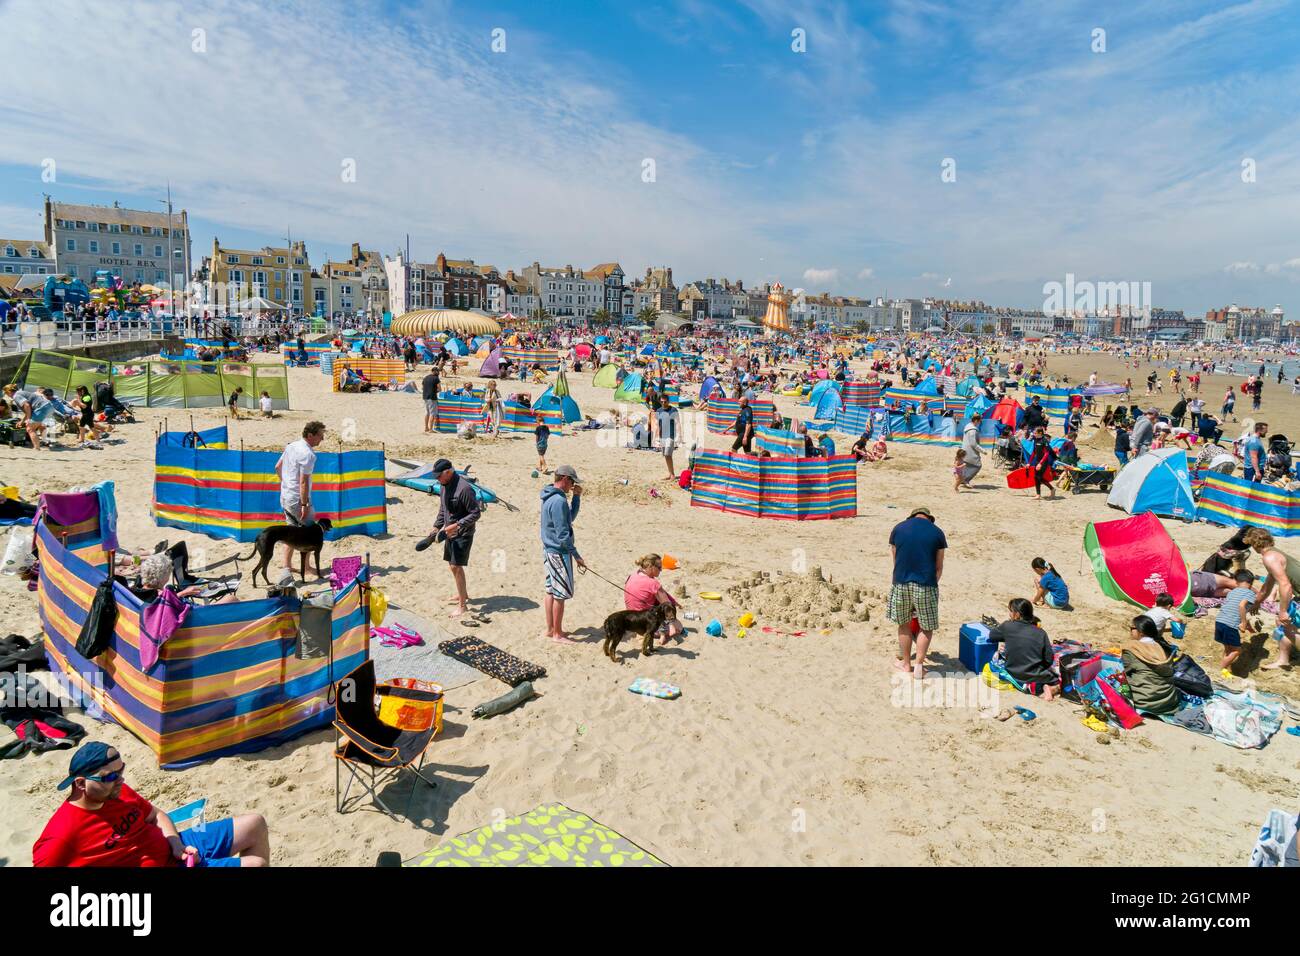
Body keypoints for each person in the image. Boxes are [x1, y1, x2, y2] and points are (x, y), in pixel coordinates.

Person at [33, 741, 269, 867]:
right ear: (81, 784)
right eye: (110, 776)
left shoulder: (116, 791)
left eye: (121, 770)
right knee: (254, 865)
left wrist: (175, 843)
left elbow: (156, 815)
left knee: (254, 824)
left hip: (176, 848)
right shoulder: (61, 837)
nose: (120, 780)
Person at [415, 458, 481, 619]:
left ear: (449, 472)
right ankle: (462, 594)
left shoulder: (464, 489)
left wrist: (456, 525)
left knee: (455, 566)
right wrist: (436, 527)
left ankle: (463, 606)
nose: (437, 480)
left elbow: (476, 513)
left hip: (463, 534)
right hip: (448, 532)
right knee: (452, 566)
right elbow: (443, 509)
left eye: (439, 477)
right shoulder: (444, 486)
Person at [887, 506, 947, 679]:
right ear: (928, 518)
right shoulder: (937, 532)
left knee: (903, 624)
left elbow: (895, 558)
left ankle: (906, 664)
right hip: (926, 583)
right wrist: (932, 584)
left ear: (912, 517)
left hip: (901, 581)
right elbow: (939, 566)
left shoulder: (898, 528)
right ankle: (919, 666)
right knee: (926, 627)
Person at [541, 464, 586, 644]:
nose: (572, 485)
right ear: (565, 479)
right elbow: (563, 535)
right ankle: (557, 634)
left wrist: (576, 498)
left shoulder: (550, 495)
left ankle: (551, 629)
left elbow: (568, 519)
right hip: (558, 552)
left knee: (550, 590)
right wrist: (577, 556)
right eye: (572, 481)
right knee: (560, 594)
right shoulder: (558, 500)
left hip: (549, 550)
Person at [275, 421, 325, 579]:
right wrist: (304, 504)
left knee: (290, 532)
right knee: (310, 533)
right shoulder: (308, 454)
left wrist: (287, 484)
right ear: (310, 435)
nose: (322, 439)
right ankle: (307, 567)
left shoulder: (292, 446)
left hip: (286, 495)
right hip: (297, 499)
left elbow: (277, 467)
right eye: (320, 435)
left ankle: (287, 566)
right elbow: (303, 482)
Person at [1243, 527, 1297, 670]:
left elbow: (1285, 585)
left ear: (1253, 544)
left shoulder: (1269, 557)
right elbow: (1267, 587)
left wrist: (1283, 610)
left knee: (1287, 627)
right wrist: (1256, 604)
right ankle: (1283, 660)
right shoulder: (1275, 554)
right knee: (1284, 626)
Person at [988, 598, 1058, 700]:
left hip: (1014, 672)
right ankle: (1049, 688)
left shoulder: (1008, 626)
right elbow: (1048, 659)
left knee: (997, 657)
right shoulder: (1041, 632)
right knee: (1059, 679)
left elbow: (992, 636)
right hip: (1037, 674)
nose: (1009, 614)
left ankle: (1033, 687)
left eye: (1011, 611)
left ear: (1017, 614)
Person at [1122, 616, 1179, 716]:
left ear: (1141, 631)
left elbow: (1124, 670)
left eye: (1132, 628)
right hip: (1169, 701)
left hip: (1145, 701)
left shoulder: (1132, 647)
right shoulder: (1161, 646)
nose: (1130, 631)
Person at [623, 554, 684, 645]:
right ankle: (651, 635)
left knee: (655, 600)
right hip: (644, 622)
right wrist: (672, 623)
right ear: (651, 567)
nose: (661, 570)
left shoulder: (634, 574)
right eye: (659, 567)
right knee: (679, 626)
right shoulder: (653, 583)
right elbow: (667, 606)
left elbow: (662, 594)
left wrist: (674, 602)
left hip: (631, 618)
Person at [1214, 570, 1258, 675]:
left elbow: (1236, 611)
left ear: (1236, 582)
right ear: (1251, 583)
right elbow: (1241, 606)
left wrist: (1248, 626)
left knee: (1228, 649)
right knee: (1236, 651)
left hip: (1220, 621)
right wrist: (1243, 623)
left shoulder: (1232, 592)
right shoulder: (1250, 593)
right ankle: (1220, 671)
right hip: (1230, 625)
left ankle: (1226, 670)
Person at [654, 395, 680, 480]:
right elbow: (658, 425)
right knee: (666, 455)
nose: (663, 403)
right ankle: (670, 473)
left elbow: (677, 423)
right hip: (662, 436)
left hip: (671, 435)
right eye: (662, 402)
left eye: (665, 401)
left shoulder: (673, 410)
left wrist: (678, 436)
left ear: (668, 401)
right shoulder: (658, 411)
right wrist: (656, 438)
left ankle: (672, 475)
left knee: (667, 454)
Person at [1027, 425, 1056, 500]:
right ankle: (1038, 494)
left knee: (1039, 477)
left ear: (1040, 433)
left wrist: (1040, 463)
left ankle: (1052, 489)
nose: (1034, 434)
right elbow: (1034, 452)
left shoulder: (1044, 440)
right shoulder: (1035, 439)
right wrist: (1029, 462)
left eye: (1035, 433)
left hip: (1043, 462)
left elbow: (1046, 453)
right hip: (1037, 461)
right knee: (1036, 477)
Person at [959, 413, 982, 488]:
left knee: (967, 465)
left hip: (965, 449)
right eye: (979, 421)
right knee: (978, 465)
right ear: (975, 421)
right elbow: (973, 444)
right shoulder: (973, 430)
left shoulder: (967, 426)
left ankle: (962, 479)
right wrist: (982, 451)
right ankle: (965, 480)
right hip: (970, 451)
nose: (979, 423)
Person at [421, 366, 440, 433]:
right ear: (436, 372)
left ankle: (426, 428)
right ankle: (431, 429)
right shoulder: (436, 378)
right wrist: (435, 391)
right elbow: (439, 389)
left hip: (425, 397)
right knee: (432, 413)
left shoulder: (426, 377)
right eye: (438, 371)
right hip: (432, 397)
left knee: (427, 412)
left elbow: (422, 388)